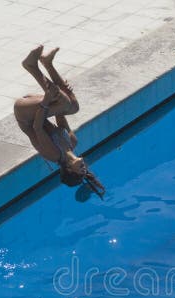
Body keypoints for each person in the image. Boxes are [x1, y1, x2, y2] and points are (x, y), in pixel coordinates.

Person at [14, 45, 105, 199]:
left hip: (25, 114)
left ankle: (31, 66)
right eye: (85, 172)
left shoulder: (54, 154)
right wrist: (65, 89)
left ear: (69, 169)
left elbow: (37, 127)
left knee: (64, 103)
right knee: (73, 106)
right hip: (37, 111)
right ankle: (48, 63)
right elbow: (61, 114)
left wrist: (48, 100)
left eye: (80, 172)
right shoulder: (72, 142)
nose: (85, 170)